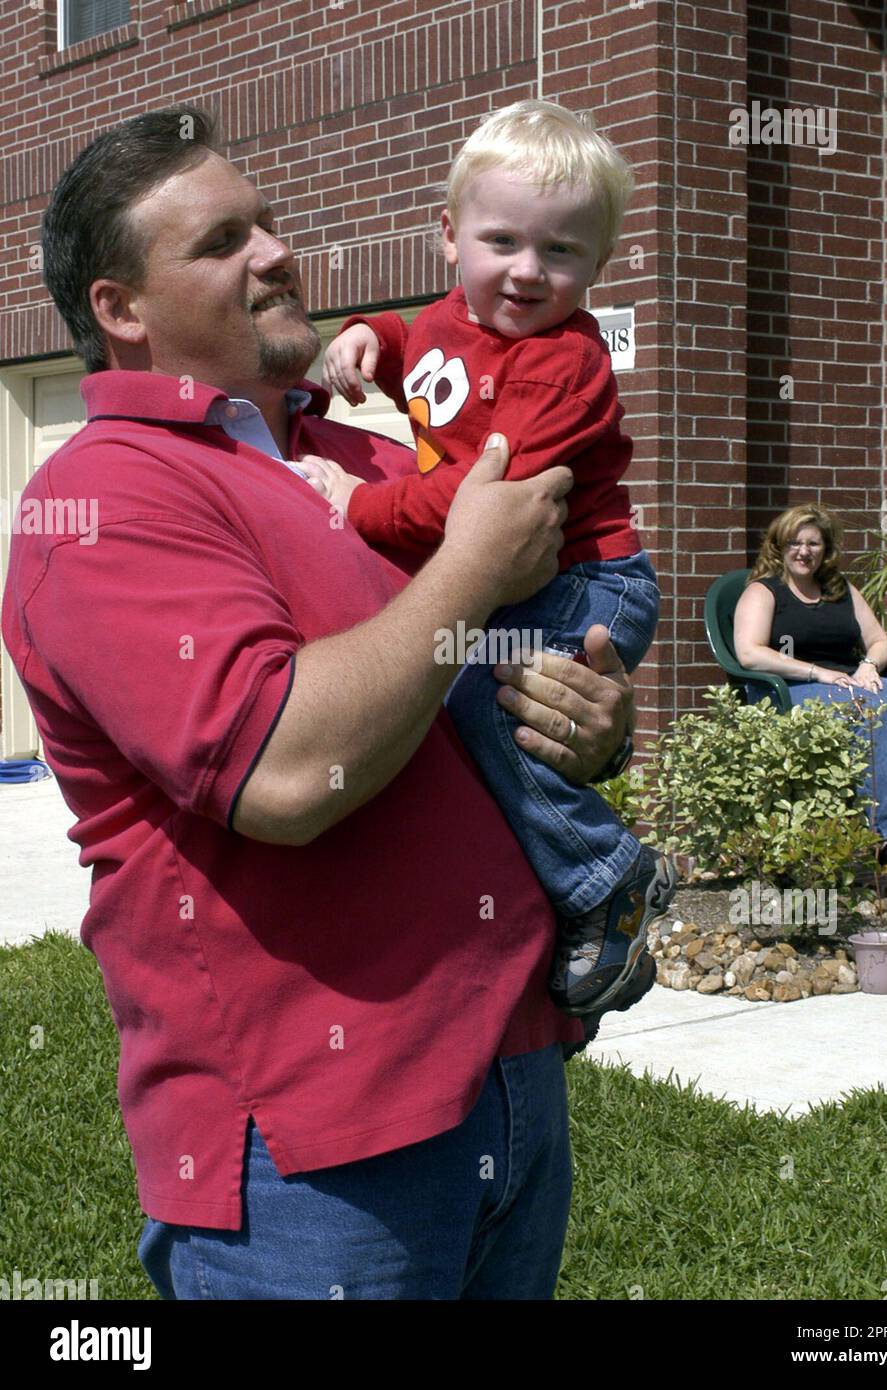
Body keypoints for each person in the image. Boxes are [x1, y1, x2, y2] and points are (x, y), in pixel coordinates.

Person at [0, 106, 642, 1300]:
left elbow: (478, 677)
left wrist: (585, 723)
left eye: (273, 223)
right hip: (312, 1152)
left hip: (510, 1082)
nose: (276, 253)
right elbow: (287, 776)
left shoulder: (360, 461)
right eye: (223, 240)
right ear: (120, 310)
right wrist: (469, 569)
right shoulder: (102, 499)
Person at [312, 100, 676, 1024]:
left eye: (560, 253)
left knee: (480, 699)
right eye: (502, 239)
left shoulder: (564, 366)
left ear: (598, 265)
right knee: (489, 711)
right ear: (449, 235)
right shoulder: (451, 321)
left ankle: (608, 878)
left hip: (590, 576)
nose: (526, 271)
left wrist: (357, 506)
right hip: (535, 578)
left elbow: (477, 503)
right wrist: (367, 334)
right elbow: (415, 351)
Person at [733, 503, 887, 873]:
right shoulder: (764, 592)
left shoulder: (840, 589)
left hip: (848, 680)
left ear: (825, 550)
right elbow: (750, 654)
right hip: (791, 687)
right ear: (780, 547)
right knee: (864, 708)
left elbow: (880, 641)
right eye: (795, 542)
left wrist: (867, 664)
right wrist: (817, 672)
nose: (804, 551)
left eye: (813, 543)